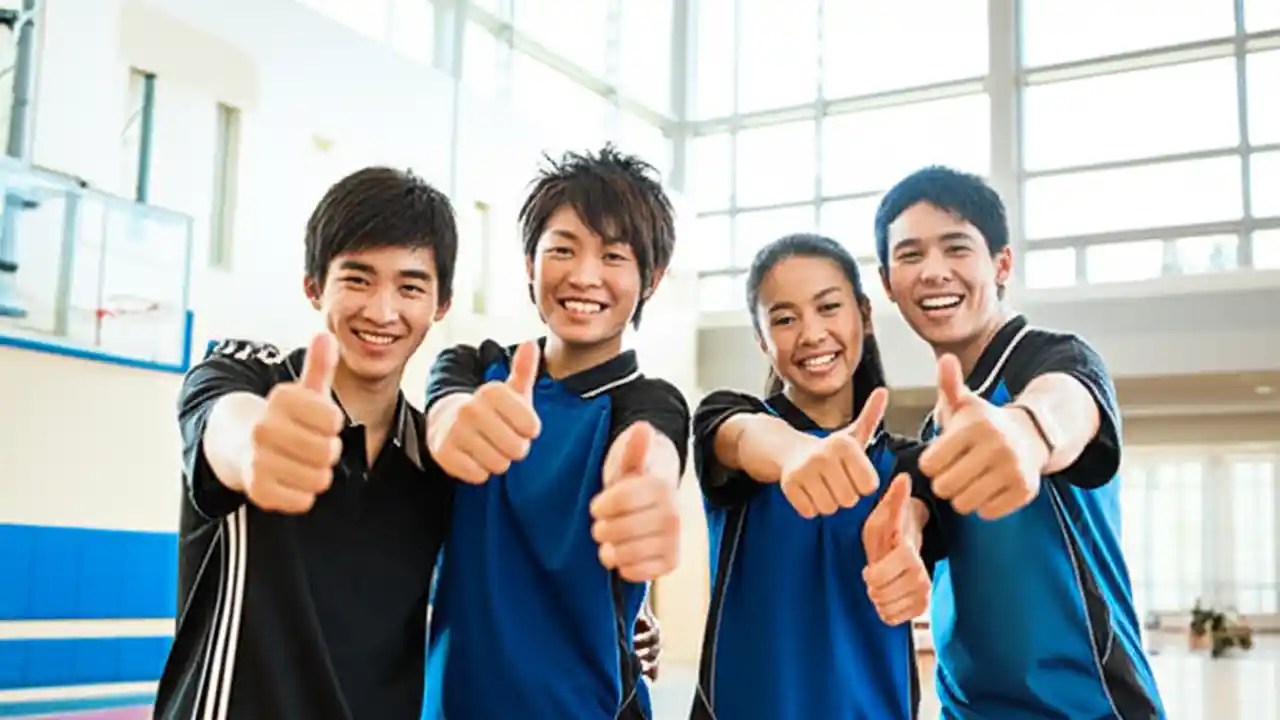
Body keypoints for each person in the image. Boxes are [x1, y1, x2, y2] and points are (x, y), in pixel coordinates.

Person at [154, 167, 459, 720]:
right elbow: (228, 425)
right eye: (357, 279)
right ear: (313, 286)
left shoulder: (436, 459)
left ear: (441, 304)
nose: (383, 311)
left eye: (410, 286)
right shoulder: (247, 377)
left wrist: (624, 615)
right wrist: (257, 450)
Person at [874, 165, 1166, 719]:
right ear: (888, 283)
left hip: (1089, 707)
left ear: (1001, 263)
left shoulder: (1054, 359)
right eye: (910, 255)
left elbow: (1065, 404)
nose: (933, 271)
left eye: (956, 248)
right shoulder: (936, 431)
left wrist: (1027, 431)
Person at [422, 145, 688, 719]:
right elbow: (446, 416)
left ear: (652, 278)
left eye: (614, 256)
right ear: (529, 264)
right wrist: (453, 428)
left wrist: (644, 494)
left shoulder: (648, 402)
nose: (584, 276)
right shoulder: (471, 369)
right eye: (563, 250)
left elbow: (649, 456)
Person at [689, 233, 937, 720]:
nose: (811, 334)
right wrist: (797, 453)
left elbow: (914, 513)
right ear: (762, 340)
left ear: (863, 316)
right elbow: (743, 438)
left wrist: (904, 547)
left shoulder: (909, 464)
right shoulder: (727, 418)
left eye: (828, 307)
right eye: (784, 319)